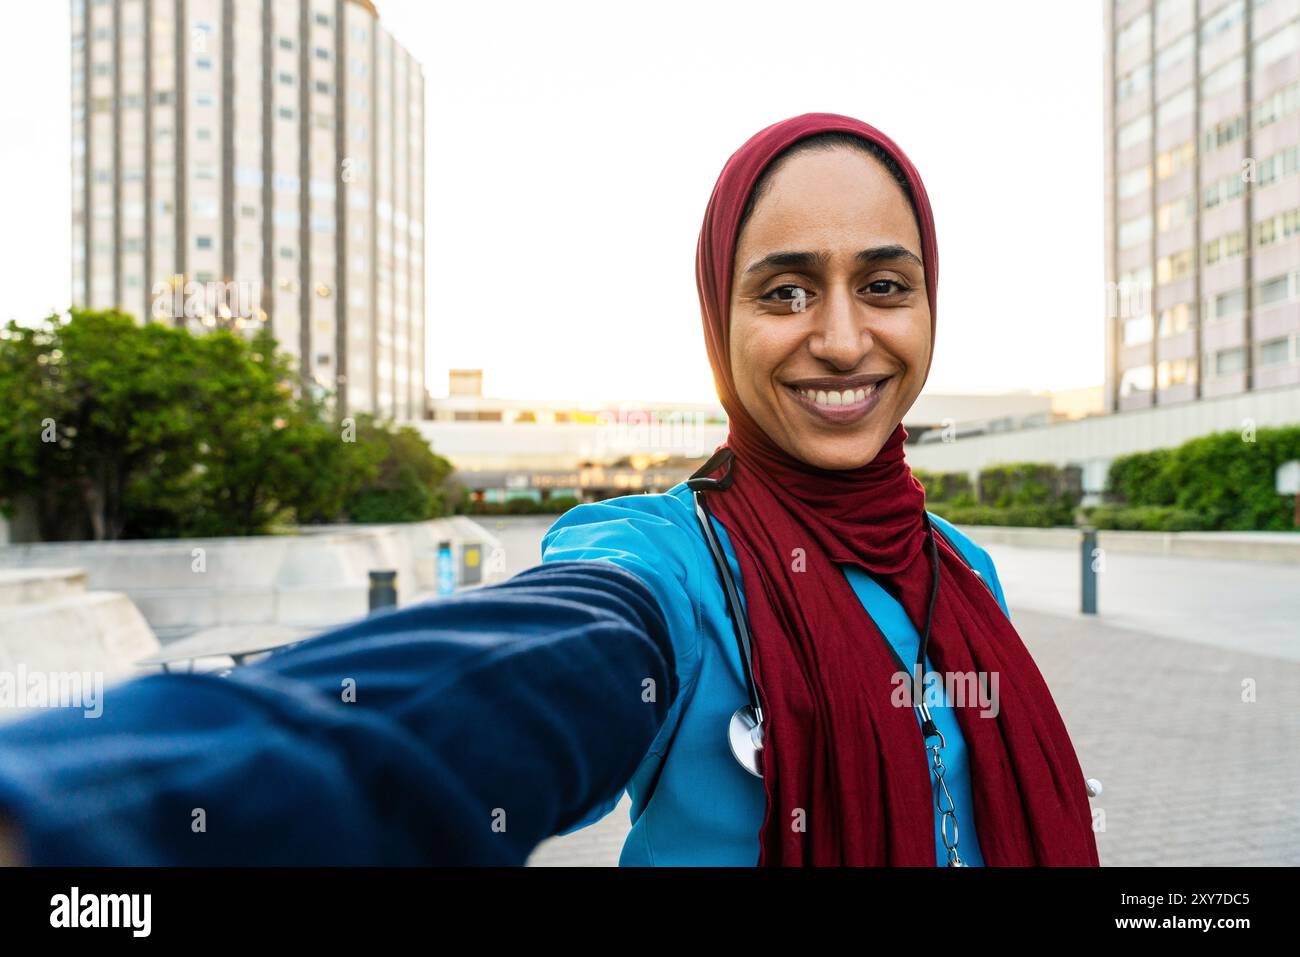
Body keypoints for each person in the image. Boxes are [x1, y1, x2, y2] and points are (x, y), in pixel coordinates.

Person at [0, 112, 1099, 867]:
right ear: (719, 322)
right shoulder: (667, 566)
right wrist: (91, 806)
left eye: (884, 284)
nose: (843, 338)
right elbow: (488, 684)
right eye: (785, 290)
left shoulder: (963, 569)